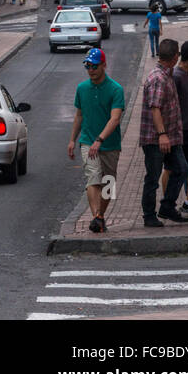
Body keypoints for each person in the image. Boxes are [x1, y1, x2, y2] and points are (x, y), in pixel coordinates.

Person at [67, 47, 125, 234]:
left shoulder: (116, 89)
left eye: (94, 66)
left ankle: (100, 216)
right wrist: (72, 140)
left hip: (109, 144)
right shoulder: (82, 88)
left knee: (109, 183)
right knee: (93, 178)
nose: (90, 70)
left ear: (104, 65)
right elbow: (79, 115)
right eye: (88, 66)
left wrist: (100, 139)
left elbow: (115, 118)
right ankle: (96, 218)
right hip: (87, 141)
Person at [139, 37, 188, 226]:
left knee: (181, 169)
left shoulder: (166, 74)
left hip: (170, 138)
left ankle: (167, 207)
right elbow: (155, 108)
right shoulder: (158, 79)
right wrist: (162, 135)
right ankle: (149, 215)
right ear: (175, 56)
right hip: (156, 139)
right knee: (152, 177)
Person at [161, 40, 188, 216]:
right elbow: (171, 104)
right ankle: (167, 202)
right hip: (175, 130)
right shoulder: (177, 76)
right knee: (171, 168)